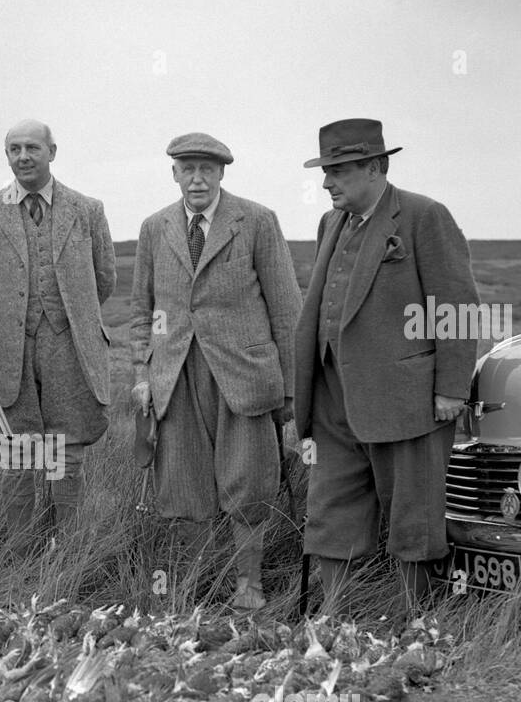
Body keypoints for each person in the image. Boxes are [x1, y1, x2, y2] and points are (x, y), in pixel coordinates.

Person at [293, 119, 479, 613]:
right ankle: (334, 617)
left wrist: (451, 390)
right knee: (331, 509)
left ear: (376, 167)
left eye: (339, 170)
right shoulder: (330, 223)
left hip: (406, 398)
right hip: (334, 396)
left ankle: (417, 620)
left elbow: (456, 306)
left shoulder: (424, 216)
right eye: (325, 170)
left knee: (412, 516)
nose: (328, 181)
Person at [130, 133, 300, 609]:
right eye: (188, 168)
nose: (197, 178)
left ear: (223, 173)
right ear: (174, 174)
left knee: (248, 483)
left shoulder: (257, 221)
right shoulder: (154, 228)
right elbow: (142, 311)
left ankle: (250, 585)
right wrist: (142, 376)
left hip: (244, 377)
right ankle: (195, 586)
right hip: (175, 375)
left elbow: (287, 312)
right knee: (183, 485)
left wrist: (290, 392)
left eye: (207, 168)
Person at [0, 119, 116, 535]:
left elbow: (104, 279)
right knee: (14, 450)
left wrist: (67, 320)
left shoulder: (87, 210)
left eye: (32, 147)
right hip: (10, 351)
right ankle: (21, 556)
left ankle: (71, 553)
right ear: (7, 155)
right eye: (15, 149)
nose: (23, 156)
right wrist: (10, 319)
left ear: (52, 152)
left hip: (70, 348)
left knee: (67, 451)